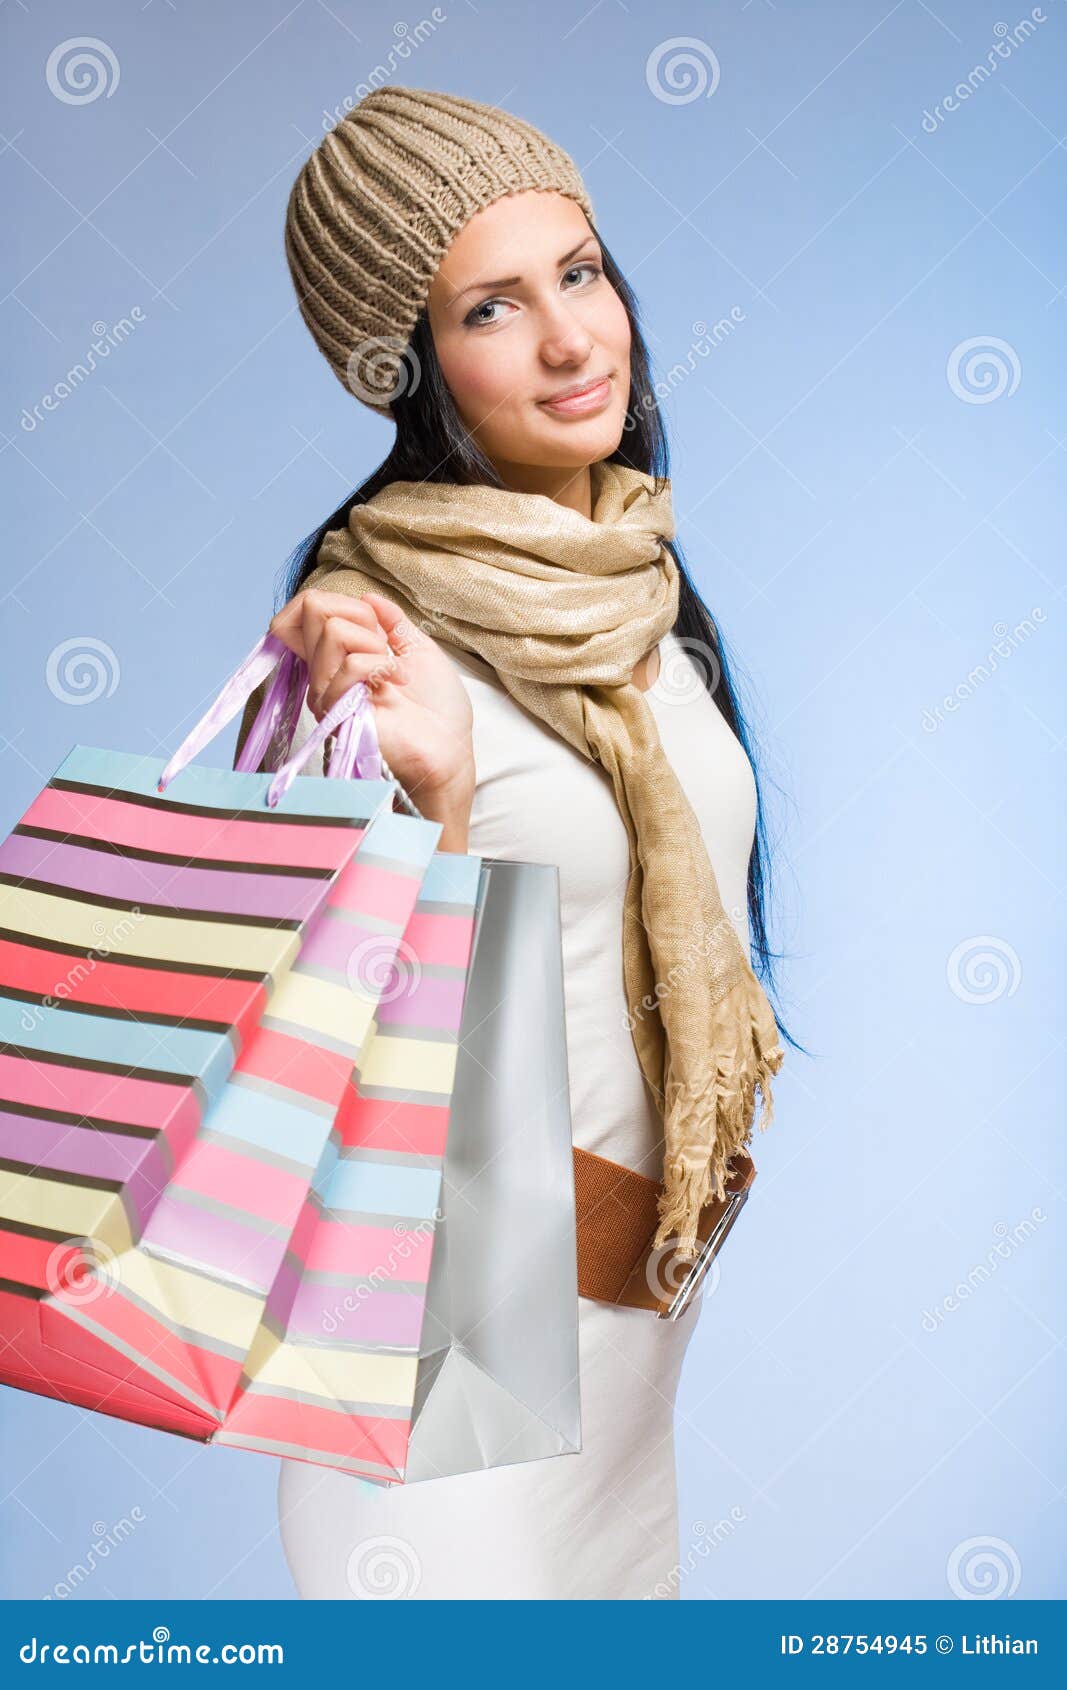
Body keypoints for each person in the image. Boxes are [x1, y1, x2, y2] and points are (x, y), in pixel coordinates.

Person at [234, 85, 797, 1600]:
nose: (572, 340)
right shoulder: (360, 641)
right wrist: (438, 806)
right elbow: (329, 1077)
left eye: (582, 271)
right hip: (446, 1412)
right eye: (491, 306)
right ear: (408, 369)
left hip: (626, 1411)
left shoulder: (640, 599)